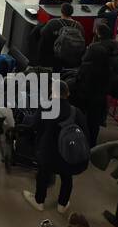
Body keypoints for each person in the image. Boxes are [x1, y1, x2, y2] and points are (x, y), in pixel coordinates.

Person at [24, 80, 88, 214]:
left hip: (48, 153)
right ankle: (62, 204)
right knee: (67, 177)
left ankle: (39, 201)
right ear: (68, 93)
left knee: (43, 174)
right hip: (68, 154)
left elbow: (34, 126)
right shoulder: (76, 112)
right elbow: (86, 134)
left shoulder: (45, 107)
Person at [72, 21, 118, 147]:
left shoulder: (92, 58)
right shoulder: (115, 48)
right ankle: (92, 143)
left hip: (87, 93)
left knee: (83, 117)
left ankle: (82, 140)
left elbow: (81, 75)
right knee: (95, 121)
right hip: (102, 92)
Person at [39, 3, 85, 71]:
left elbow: (42, 33)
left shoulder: (53, 23)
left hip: (55, 58)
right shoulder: (78, 25)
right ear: (72, 13)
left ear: (61, 11)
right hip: (73, 59)